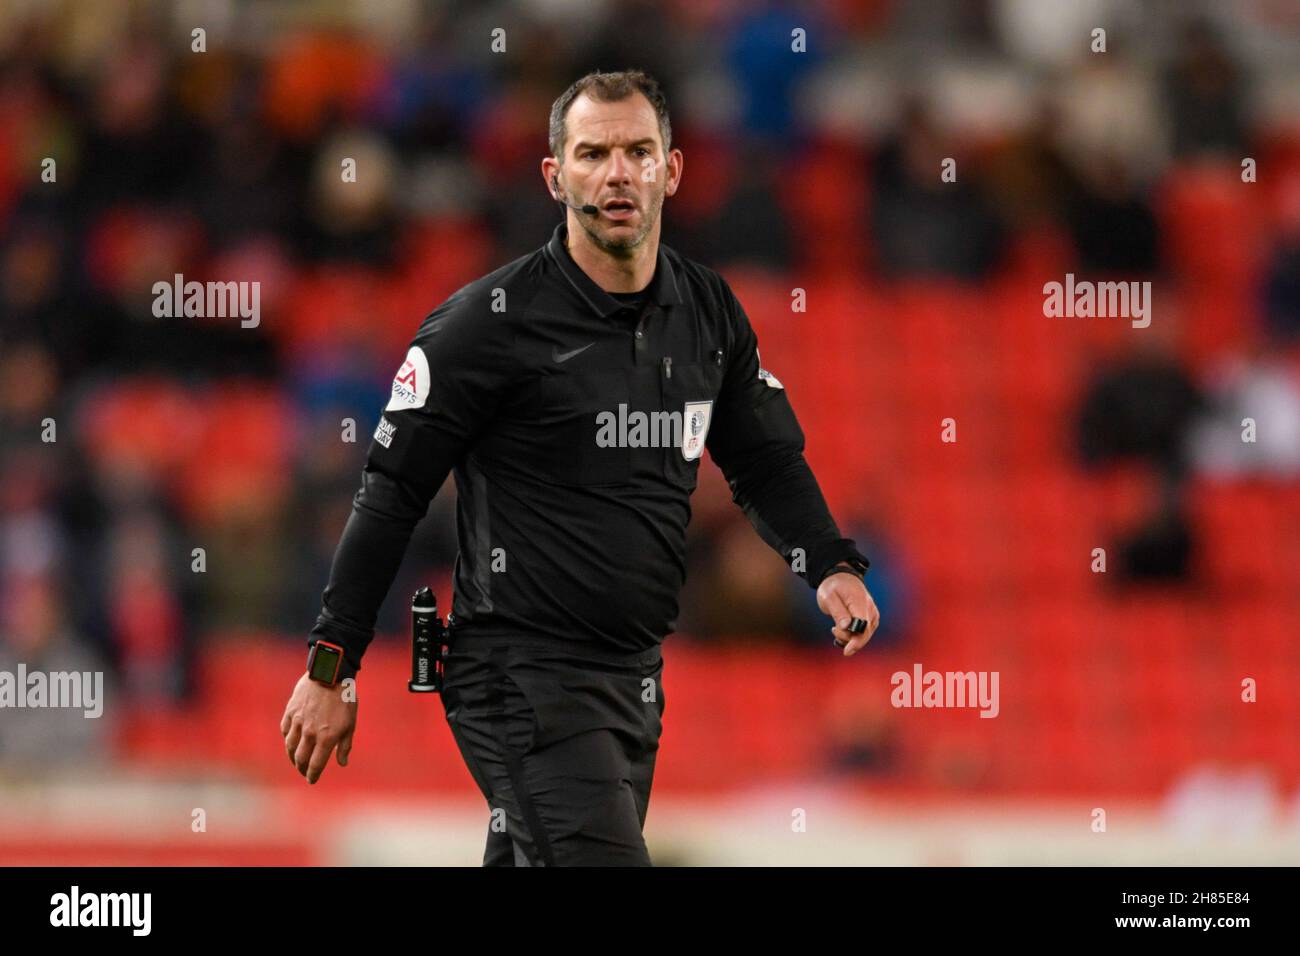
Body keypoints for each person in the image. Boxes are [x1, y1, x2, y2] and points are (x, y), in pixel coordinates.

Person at [280, 69, 879, 866]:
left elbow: (765, 460)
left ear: (672, 170)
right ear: (555, 176)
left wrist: (828, 562)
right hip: (519, 676)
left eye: (638, 151)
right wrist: (331, 667)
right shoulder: (484, 327)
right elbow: (391, 492)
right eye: (593, 154)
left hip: (633, 680)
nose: (617, 173)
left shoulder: (707, 314)